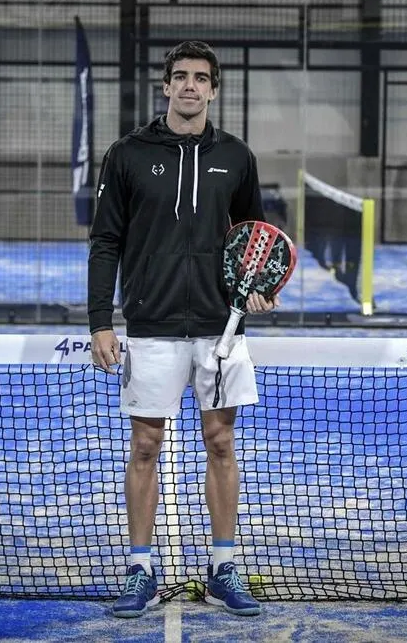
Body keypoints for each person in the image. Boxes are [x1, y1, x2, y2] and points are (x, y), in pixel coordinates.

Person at [88, 41, 275, 619]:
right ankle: (140, 569)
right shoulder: (126, 154)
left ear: (214, 89)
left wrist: (261, 286)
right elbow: (106, 242)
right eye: (180, 77)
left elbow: (255, 236)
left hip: (221, 329)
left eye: (201, 78)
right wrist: (101, 321)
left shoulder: (237, 157)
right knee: (145, 446)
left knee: (220, 442)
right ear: (165, 87)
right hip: (150, 325)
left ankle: (223, 567)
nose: (190, 86)